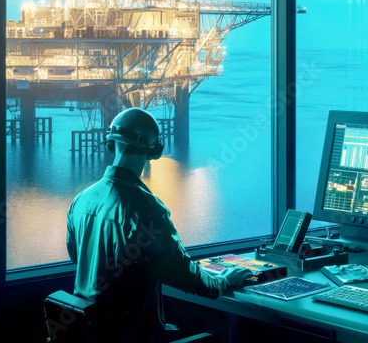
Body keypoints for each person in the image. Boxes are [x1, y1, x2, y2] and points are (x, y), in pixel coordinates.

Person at [67, 107, 252, 342]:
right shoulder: (148, 209)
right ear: (154, 151)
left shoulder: (80, 201)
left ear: (111, 144)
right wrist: (224, 279)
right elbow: (191, 280)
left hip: (90, 333)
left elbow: (77, 257)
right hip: (133, 335)